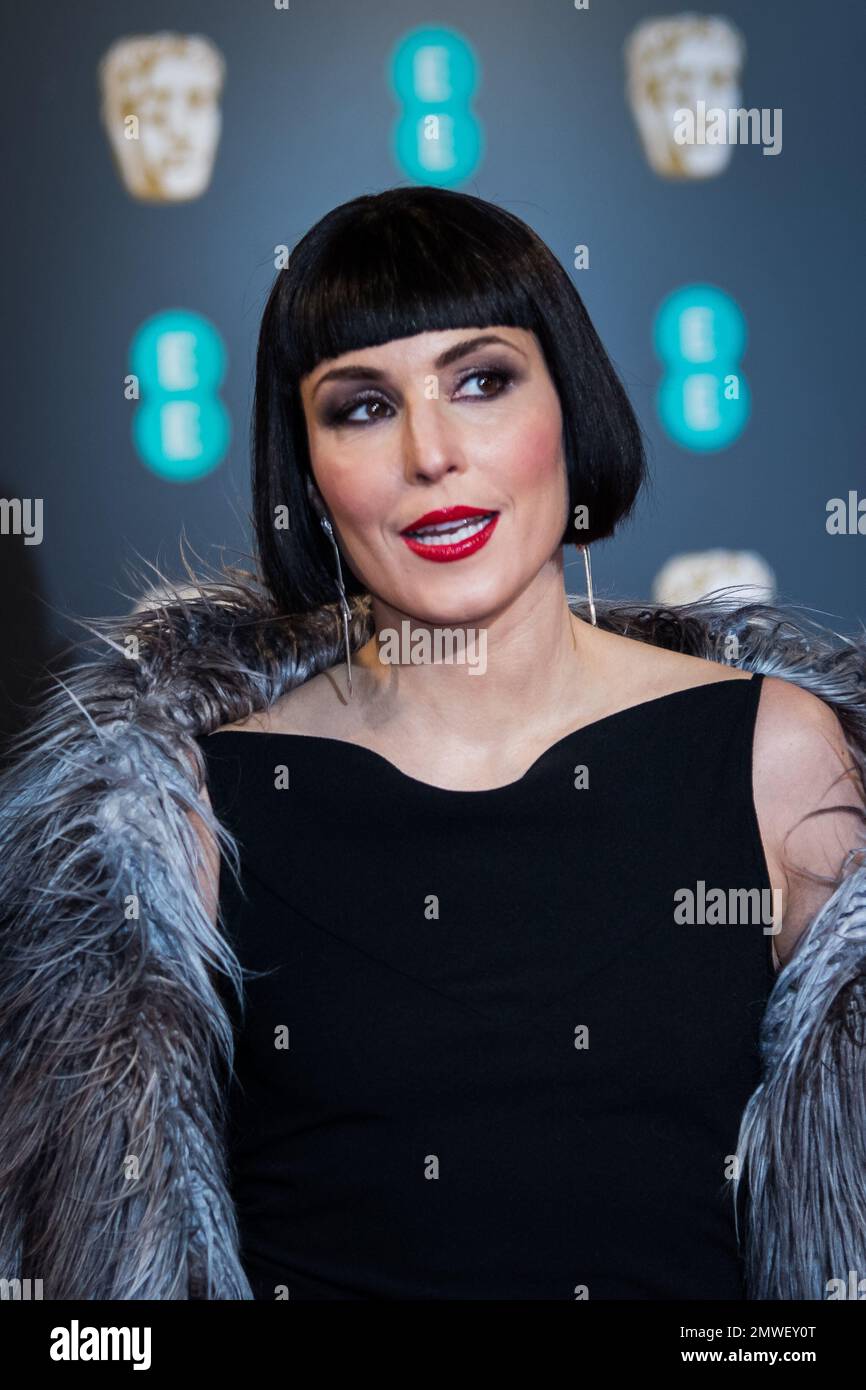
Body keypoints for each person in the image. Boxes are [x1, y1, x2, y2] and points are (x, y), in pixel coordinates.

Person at [1, 187, 864, 1301]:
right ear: (304, 473)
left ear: (572, 401)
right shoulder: (186, 816)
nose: (431, 451)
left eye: (480, 380)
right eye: (359, 406)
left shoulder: (768, 755)